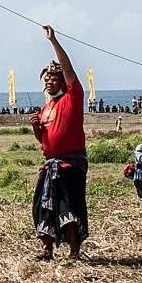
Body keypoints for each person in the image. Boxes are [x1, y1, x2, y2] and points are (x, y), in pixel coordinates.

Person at [28, 24, 88, 261]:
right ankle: (47, 249)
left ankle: (74, 250)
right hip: (49, 163)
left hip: (70, 164)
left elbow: (68, 68)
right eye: (48, 79)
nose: (50, 82)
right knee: (43, 207)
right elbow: (44, 140)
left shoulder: (73, 97)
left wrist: (53, 42)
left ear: (63, 81)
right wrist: (35, 127)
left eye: (54, 78)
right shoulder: (47, 108)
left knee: (69, 207)